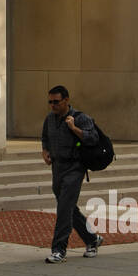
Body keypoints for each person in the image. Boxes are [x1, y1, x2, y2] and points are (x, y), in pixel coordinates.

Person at [40, 85, 103, 263]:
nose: (53, 105)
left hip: (75, 168)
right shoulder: (49, 119)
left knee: (63, 209)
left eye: (56, 102)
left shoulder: (80, 118)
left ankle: (59, 249)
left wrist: (74, 128)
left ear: (66, 100)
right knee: (67, 208)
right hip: (57, 168)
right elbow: (45, 137)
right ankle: (92, 239)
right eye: (50, 102)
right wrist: (45, 151)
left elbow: (93, 138)